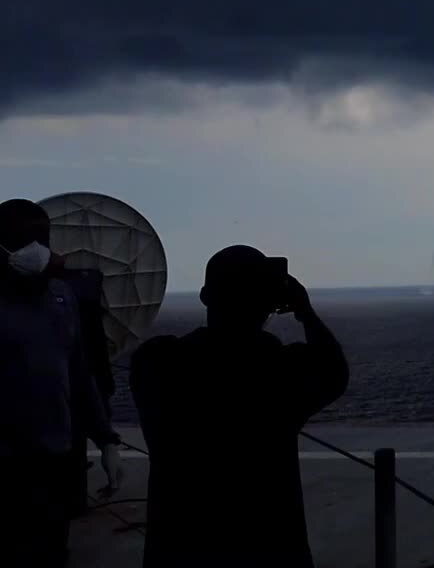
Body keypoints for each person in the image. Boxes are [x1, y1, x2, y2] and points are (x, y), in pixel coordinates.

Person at [131, 245, 349, 568]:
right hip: (269, 547)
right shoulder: (278, 370)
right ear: (271, 301)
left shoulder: (158, 361)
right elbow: (333, 373)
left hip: (179, 547)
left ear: (205, 296)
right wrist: (305, 311)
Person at [0, 198, 124, 568]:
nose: (35, 248)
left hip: (52, 460)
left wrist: (106, 440)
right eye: (23, 239)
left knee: (51, 552)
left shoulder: (61, 298)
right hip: (4, 464)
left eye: (41, 238)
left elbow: (78, 374)